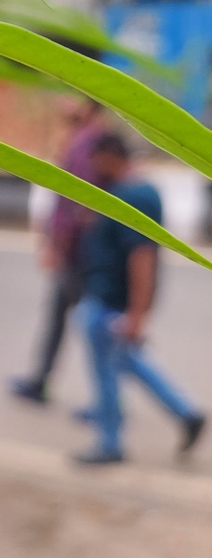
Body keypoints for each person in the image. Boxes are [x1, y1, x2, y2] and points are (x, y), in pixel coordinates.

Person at [73, 132, 206, 464]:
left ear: (110, 156)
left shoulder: (135, 196)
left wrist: (137, 313)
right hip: (106, 297)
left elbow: (143, 258)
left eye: (97, 161)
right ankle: (185, 412)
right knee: (126, 362)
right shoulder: (122, 192)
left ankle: (110, 443)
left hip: (112, 302)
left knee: (106, 371)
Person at [10, 96, 105, 403]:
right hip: (80, 252)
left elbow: (73, 204)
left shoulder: (86, 145)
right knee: (68, 319)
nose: (63, 103)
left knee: (91, 323)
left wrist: (57, 246)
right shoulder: (84, 141)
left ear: (88, 107)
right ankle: (44, 382)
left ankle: (111, 401)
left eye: (72, 98)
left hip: (77, 254)